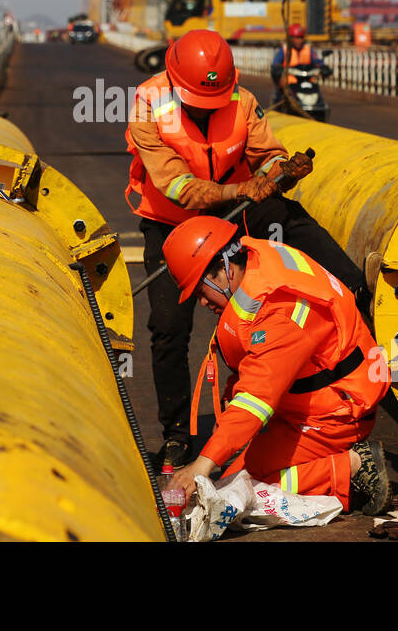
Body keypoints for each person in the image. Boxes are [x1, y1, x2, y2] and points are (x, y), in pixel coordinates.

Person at [125, 29, 368, 469]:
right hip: (173, 222)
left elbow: (267, 153)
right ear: (177, 84)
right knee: (168, 327)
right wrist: (243, 188)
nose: (211, 107)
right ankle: (177, 435)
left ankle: (354, 291)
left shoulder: (241, 99)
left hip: (235, 208)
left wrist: (280, 172)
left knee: (284, 213)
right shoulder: (147, 103)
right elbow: (176, 186)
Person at [161, 216, 391, 513]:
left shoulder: (281, 310)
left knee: (239, 491)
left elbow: (256, 398)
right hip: (305, 405)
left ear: (223, 270)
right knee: (231, 479)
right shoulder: (257, 262)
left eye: (200, 292)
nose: (203, 303)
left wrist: (199, 467)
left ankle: (354, 465)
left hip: (334, 416)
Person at [269, 23, 331, 108]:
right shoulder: (284, 50)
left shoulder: (308, 49)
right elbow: (275, 64)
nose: (299, 40)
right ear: (291, 38)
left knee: (319, 99)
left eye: (301, 37)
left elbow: (316, 61)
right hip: (290, 83)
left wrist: (323, 67)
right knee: (280, 97)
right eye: (297, 37)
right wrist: (277, 69)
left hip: (307, 80)